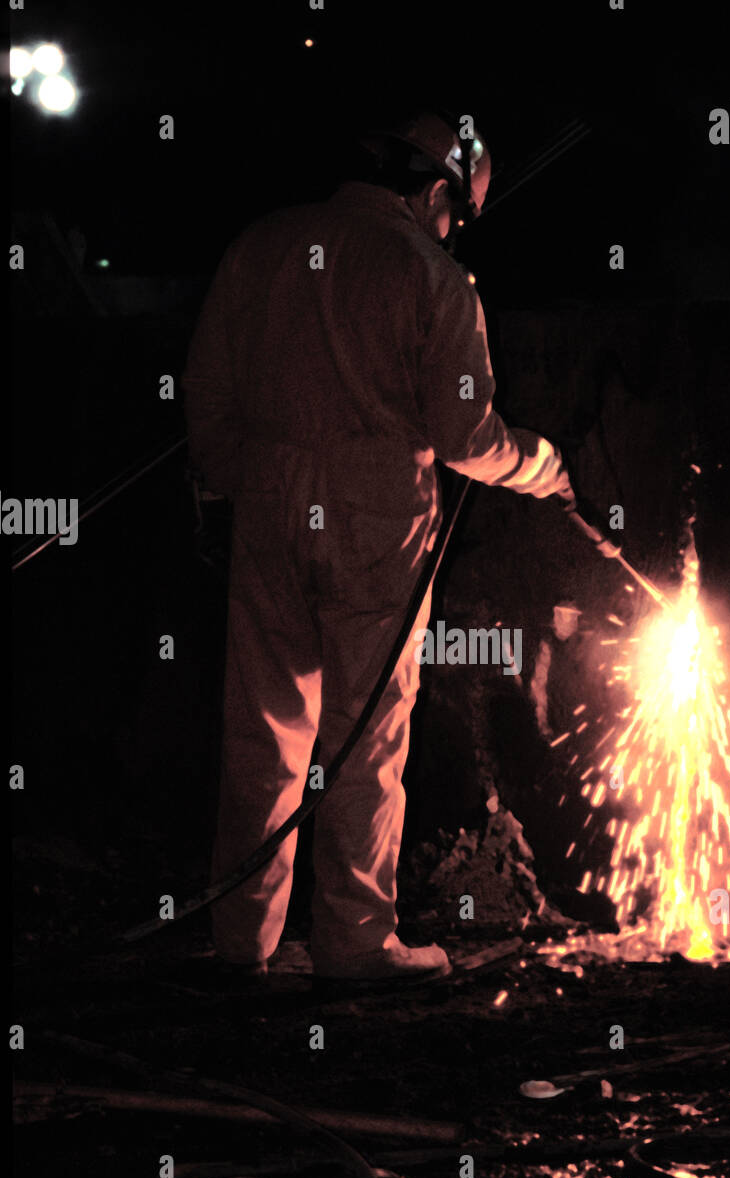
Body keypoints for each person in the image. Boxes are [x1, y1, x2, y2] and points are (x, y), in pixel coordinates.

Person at [182, 109, 574, 983]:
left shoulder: (262, 246)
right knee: (365, 737)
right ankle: (356, 942)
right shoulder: (432, 277)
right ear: (438, 190)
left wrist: (242, 480)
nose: (449, 226)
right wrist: (541, 464)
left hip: (270, 494)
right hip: (375, 508)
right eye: (452, 211)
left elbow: (203, 393)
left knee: (265, 729)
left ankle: (241, 943)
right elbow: (467, 437)